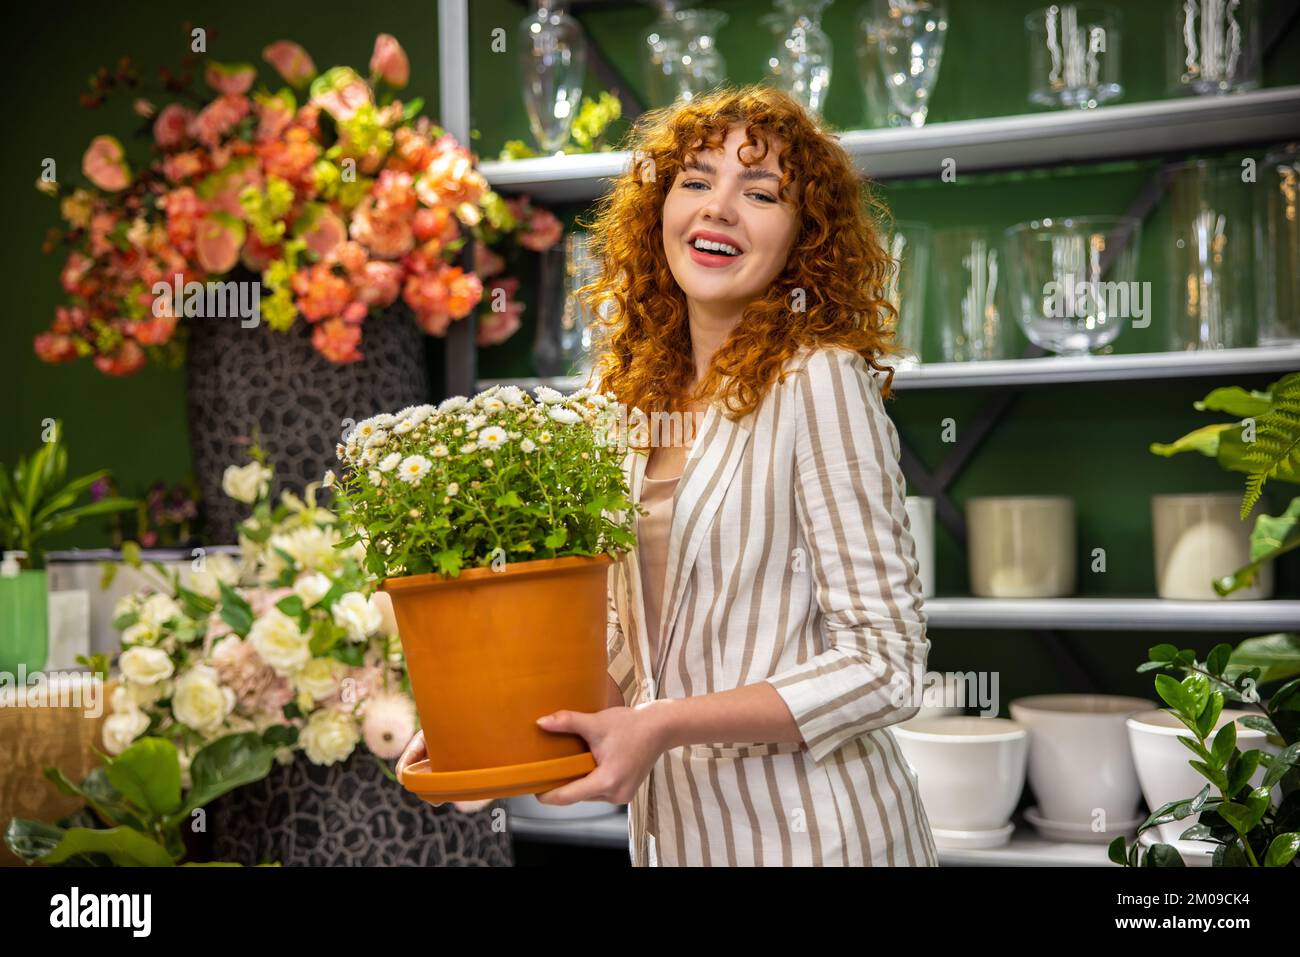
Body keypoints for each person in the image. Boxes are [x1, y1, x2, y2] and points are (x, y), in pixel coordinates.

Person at [520, 84, 939, 867]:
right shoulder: (622, 398)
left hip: (820, 836)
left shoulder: (820, 379)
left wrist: (665, 721)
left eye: (760, 192)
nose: (719, 208)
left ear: (803, 238)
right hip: (679, 836)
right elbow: (625, 644)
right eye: (696, 181)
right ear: (658, 211)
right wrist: (488, 729)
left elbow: (886, 665)